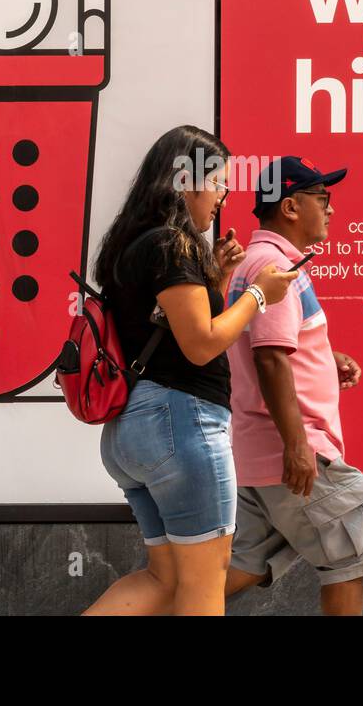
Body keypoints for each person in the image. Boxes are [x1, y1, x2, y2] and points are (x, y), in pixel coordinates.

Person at [83, 125, 296, 615]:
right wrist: (258, 294)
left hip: (131, 431)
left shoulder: (131, 243)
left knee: (166, 578)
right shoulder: (172, 245)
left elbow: (166, 328)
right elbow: (201, 346)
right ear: (187, 182)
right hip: (181, 424)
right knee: (203, 585)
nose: (223, 196)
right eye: (218, 182)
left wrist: (216, 280)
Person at [224, 156, 363, 615]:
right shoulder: (273, 266)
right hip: (294, 453)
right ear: (290, 206)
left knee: (239, 569)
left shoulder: (259, 260)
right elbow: (269, 358)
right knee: (353, 556)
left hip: (259, 452)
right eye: (323, 199)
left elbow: (272, 346)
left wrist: (325, 359)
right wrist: (297, 444)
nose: (331, 209)